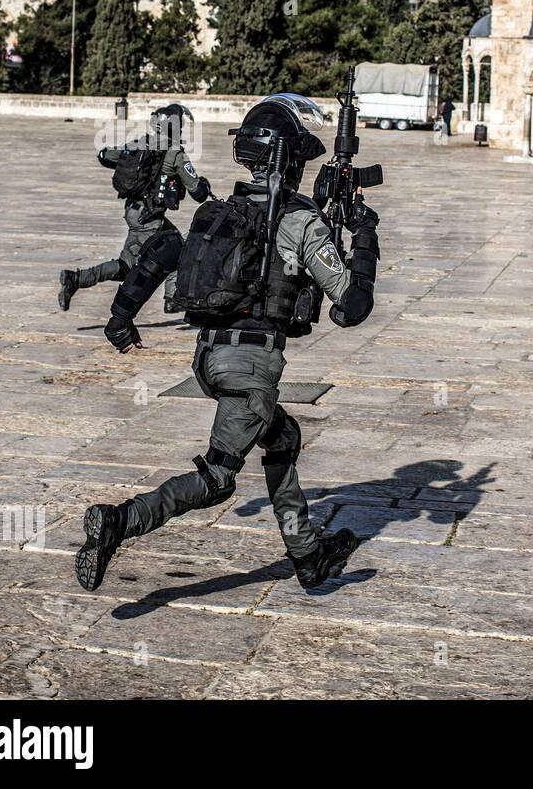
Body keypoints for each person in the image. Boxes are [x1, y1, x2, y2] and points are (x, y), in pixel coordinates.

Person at [75, 94, 381, 592]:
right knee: (218, 477)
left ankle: (306, 552)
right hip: (250, 367)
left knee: (282, 437)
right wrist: (365, 237)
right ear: (293, 160)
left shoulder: (228, 210)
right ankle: (119, 522)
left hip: (209, 357)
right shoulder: (300, 221)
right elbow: (352, 306)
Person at [58, 105, 210, 314]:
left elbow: (105, 156)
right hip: (150, 217)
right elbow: (198, 192)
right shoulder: (174, 153)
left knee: (125, 266)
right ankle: (172, 298)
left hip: (133, 211)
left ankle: (75, 279)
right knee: (178, 249)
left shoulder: (139, 143)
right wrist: (204, 184)